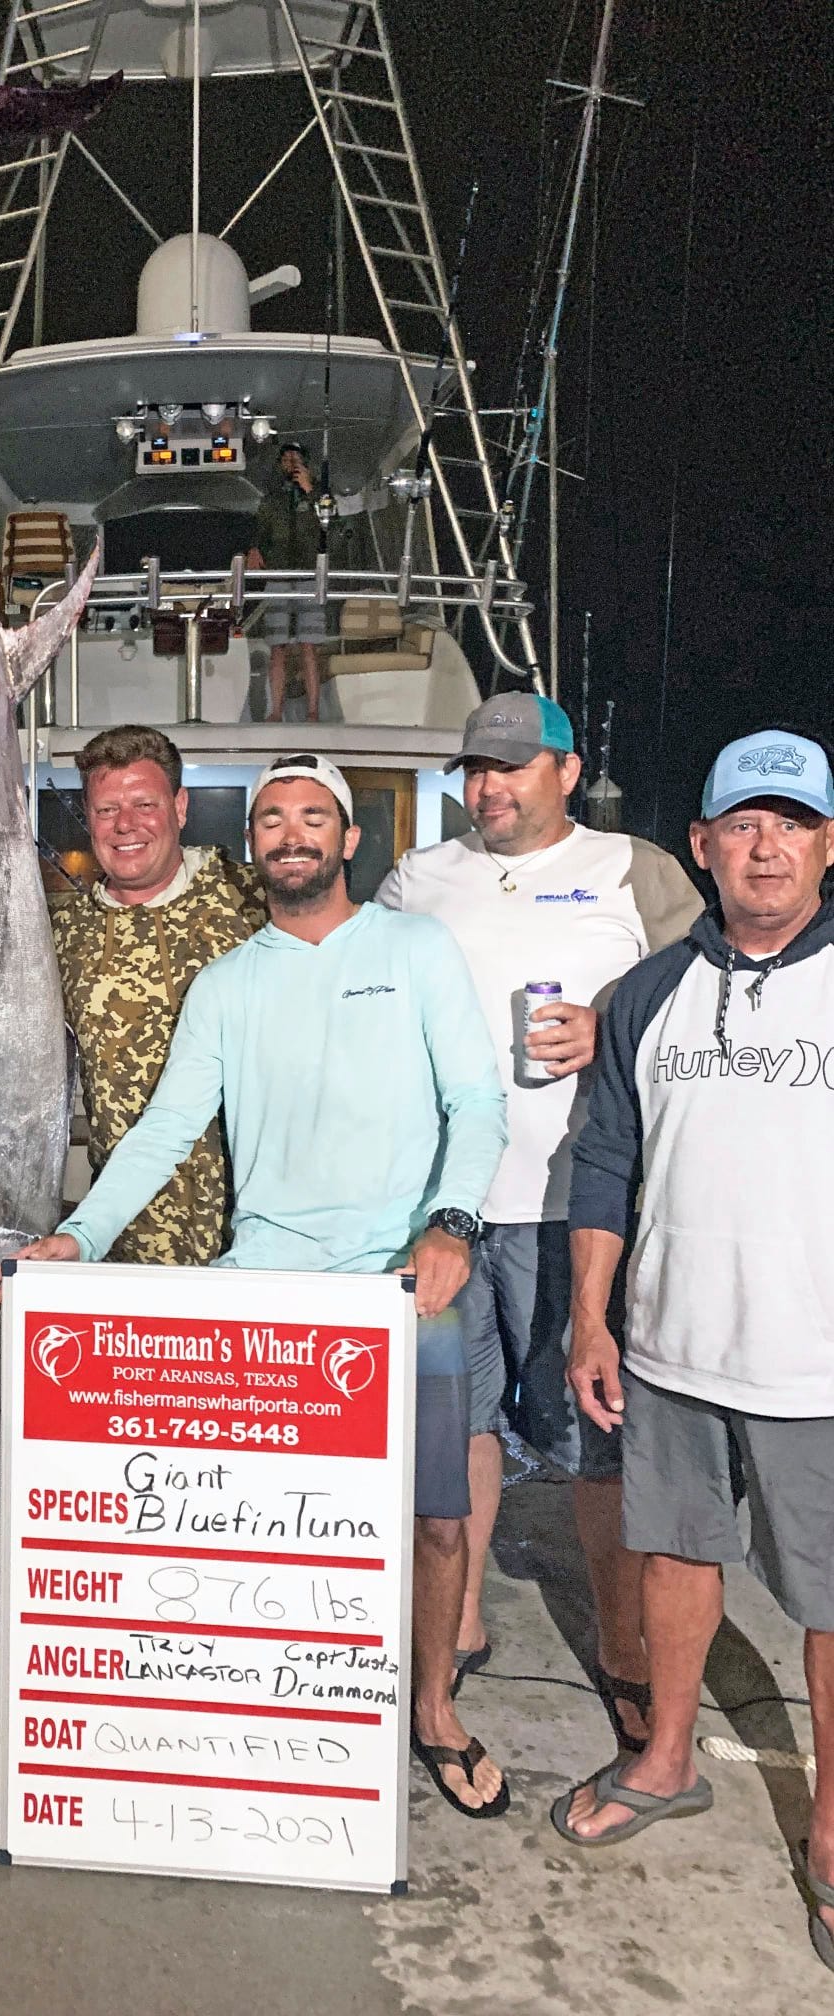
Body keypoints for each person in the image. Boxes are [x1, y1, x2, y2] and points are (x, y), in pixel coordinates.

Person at [4, 752, 513, 1817]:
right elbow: (163, 1132)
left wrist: (452, 1224)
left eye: (312, 817)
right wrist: (80, 1238)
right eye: (273, 819)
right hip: (265, 1295)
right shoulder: (225, 983)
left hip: (401, 1290)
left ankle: (433, 1710)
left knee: (434, 1522)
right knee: (251, 1528)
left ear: (348, 839)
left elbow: (476, 1100)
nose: (292, 834)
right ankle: (256, 1726)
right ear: (252, 847)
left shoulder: (416, 948)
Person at [552, 726, 834, 1970]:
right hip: (668, 1350)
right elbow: (606, 1160)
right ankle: (668, 1758)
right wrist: (591, 1316)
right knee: (671, 1555)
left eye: (794, 823)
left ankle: (833, 1834)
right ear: (705, 846)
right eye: (744, 824)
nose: (767, 845)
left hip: (819, 1367)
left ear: (827, 845)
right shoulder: (656, 990)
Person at [378, 693, 702, 1741]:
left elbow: (710, 995)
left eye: (513, 767)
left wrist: (609, 1021)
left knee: (595, 1440)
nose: (490, 787)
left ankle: (619, 1643)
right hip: (451, 1211)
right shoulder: (417, 879)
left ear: (566, 771)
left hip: (587, 1212)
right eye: (476, 769)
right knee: (460, 1426)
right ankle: (460, 1621)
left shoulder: (636, 870)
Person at [51, 726, 264, 1267]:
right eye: (106, 810)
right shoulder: (59, 934)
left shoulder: (252, 899)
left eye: (145, 804)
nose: (126, 825)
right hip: (125, 1241)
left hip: (259, 1237)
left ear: (181, 805)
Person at [245, 442, 348, 723]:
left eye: (296, 458)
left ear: (306, 464)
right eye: (286, 458)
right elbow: (260, 532)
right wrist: (254, 549)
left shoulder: (320, 495)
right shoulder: (272, 500)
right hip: (277, 576)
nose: (291, 463)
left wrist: (310, 491)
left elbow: (335, 530)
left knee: (308, 645)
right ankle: (275, 710)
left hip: (308, 576)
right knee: (277, 646)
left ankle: (313, 711)